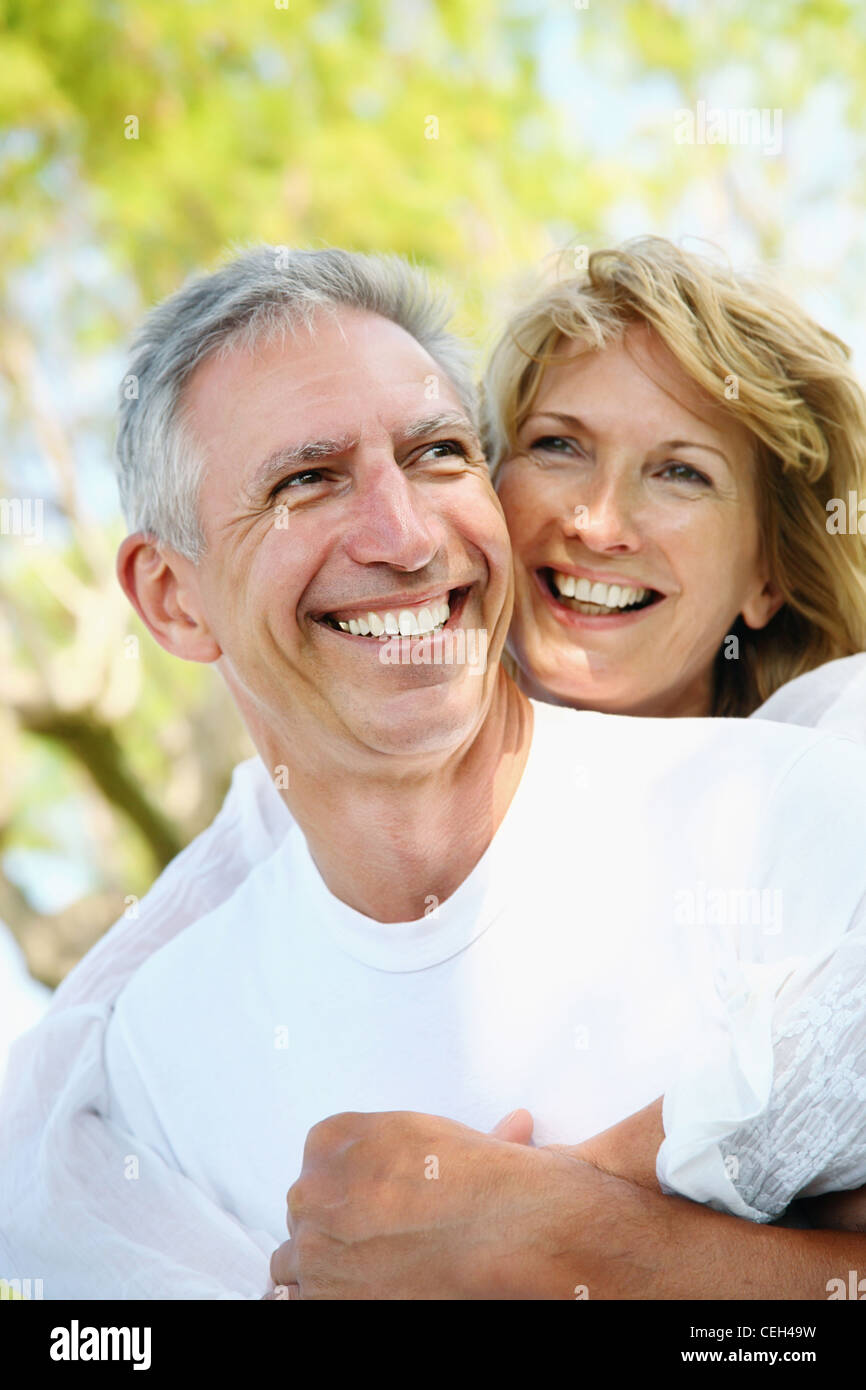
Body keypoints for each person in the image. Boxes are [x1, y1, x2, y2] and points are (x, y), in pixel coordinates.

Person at [3, 246, 866, 1301]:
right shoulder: (151, 1048)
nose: (403, 538)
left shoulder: (796, 816)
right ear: (174, 599)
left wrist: (587, 1242)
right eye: (305, 479)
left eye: (433, 453)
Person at [482, 236, 866, 721]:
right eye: (557, 445)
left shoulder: (833, 781)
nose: (599, 526)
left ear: (768, 582)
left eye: (682, 474)